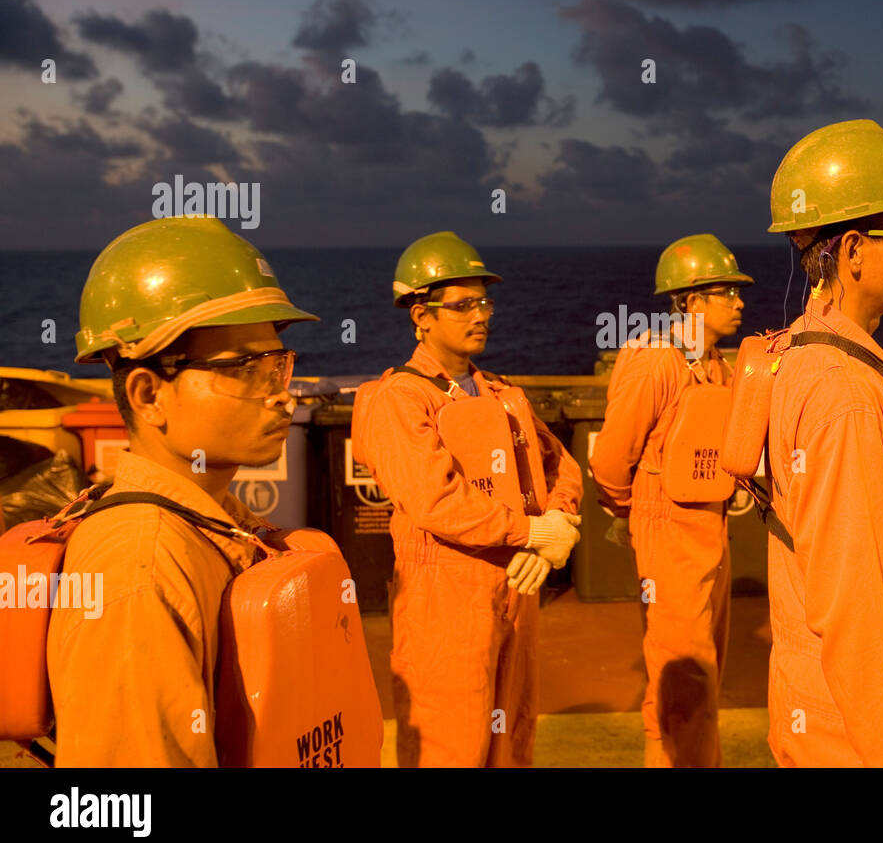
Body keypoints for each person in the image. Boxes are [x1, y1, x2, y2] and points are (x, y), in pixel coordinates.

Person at [47, 215, 319, 766]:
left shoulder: (215, 523)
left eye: (278, 366)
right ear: (149, 395)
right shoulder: (140, 572)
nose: (281, 396)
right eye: (245, 368)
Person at [350, 231, 583, 767]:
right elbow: (436, 501)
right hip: (444, 592)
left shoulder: (503, 393)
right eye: (462, 305)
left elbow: (560, 465)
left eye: (484, 302)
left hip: (517, 583)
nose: (480, 315)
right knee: (448, 744)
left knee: (512, 739)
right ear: (420, 315)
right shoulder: (402, 399)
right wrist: (531, 533)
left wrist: (557, 518)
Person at [763, 119, 883, 766]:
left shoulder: (801, 351)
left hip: (813, 686)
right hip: (848, 717)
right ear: (852, 250)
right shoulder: (845, 395)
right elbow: (855, 604)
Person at [589, 234, 752, 768]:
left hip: (710, 522)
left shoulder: (717, 366)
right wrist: (624, 510)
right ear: (690, 302)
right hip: (669, 526)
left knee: (705, 669)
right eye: (726, 291)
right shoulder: (655, 361)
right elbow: (612, 457)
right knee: (686, 672)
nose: (740, 301)